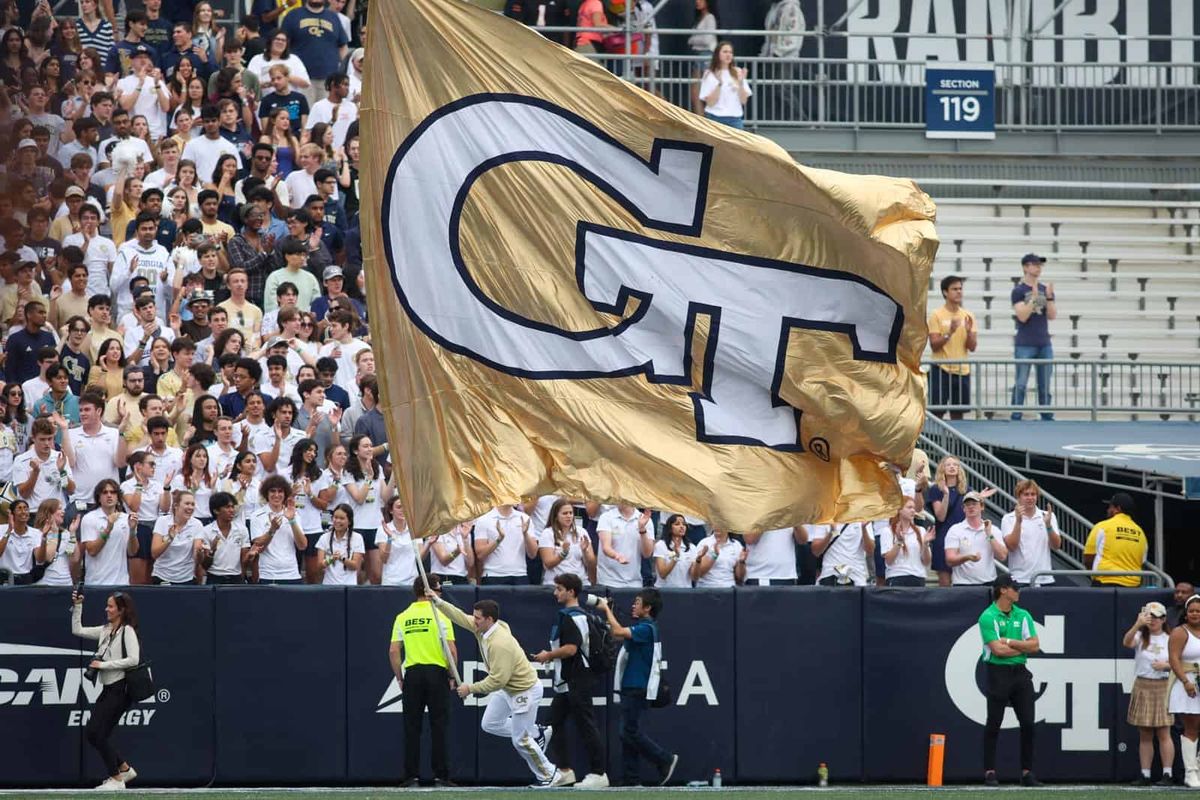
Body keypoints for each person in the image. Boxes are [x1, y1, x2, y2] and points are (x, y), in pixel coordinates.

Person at [428, 592, 566, 787]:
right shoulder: (483, 628)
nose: (473, 621)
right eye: (474, 617)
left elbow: (497, 681)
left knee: (521, 740)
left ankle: (550, 775)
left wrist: (470, 688)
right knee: (490, 723)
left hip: (523, 691)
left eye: (477, 618)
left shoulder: (500, 643)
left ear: (489, 619)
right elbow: (459, 616)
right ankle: (537, 733)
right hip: (509, 689)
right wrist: (438, 601)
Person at [532, 573, 608, 788]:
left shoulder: (569, 616)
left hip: (577, 680)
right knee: (551, 725)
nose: (555, 593)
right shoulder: (579, 615)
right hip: (568, 681)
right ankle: (565, 771)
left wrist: (547, 655)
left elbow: (571, 649)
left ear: (571, 592)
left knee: (586, 725)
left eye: (559, 589)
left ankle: (599, 773)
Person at [597, 590, 677, 787]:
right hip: (630, 685)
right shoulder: (642, 627)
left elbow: (617, 632)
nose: (633, 605)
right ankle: (631, 779)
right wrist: (610, 614)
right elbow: (617, 635)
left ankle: (664, 759)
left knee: (629, 731)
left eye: (638, 602)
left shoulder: (647, 628)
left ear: (648, 608)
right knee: (627, 734)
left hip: (638, 686)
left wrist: (606, 609)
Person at [390, 575, 457, 788]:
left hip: (413, 674)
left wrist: (400, 677)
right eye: (439, 590)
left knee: (412, 728)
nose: (440, 594)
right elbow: (451, 650)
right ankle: (442, 777)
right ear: (431, 591)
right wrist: (451, 675)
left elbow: (393, 651)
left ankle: (411, 777)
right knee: (439, 726)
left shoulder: (402, 616)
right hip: (437, 673)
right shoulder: (441, 615)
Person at [70, 589, 141, 791]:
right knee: (95, 734)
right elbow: (78, 630)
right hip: (108, 689)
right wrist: (78, 606)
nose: (106, 609)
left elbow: (134, 660)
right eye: (107, 605)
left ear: (121, 610)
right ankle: (124, 770)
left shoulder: (127, 631)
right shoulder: (105, 629)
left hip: (121, 689)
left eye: (111, 606)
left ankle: (117, 779)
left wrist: (103, 665)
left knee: (96, 733)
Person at [978, 574, 1041, 787]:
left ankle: (1026, 772)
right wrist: (1018, 648)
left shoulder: (1023, 614)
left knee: (1028, 723)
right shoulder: (988, 616)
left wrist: (1008, 641)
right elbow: (997, 651)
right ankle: (989, 771)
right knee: (994, 723)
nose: (1018, 591)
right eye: (1015, 588)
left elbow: (1034, 645)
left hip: (1020, 673)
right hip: (998, 673)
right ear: (1003, 590)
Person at [1123, 602, 1174, 786]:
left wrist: (1166, 666)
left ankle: (1167, 774)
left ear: (1163, 619)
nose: (1152, 620)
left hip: (1163, 685)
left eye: (1156, 617)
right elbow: (1126, 643)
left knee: (1164, 732)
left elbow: (1181, 661)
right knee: (1144, 733)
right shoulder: (1140, 635)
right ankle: (1145, 774)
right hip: (1143, 684)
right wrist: (1137, 624)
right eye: (1149, 616)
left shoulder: (1170, 638)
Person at [1010, 253, 1056, 420]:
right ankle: (1016, 414)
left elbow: (1052, 315)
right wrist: (1034, 300)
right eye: (1034, 264)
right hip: (1025, 343)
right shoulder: (1019, 290)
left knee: (1044, 384)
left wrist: (1049, 298)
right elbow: (1022, 316)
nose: (1038, 267)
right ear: (1025, 267)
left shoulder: (1044, 289)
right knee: (1021, 382)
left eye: (1039, 265)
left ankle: (1046, 415)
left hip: (1044, 342)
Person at [927, 276, 977, 419]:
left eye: (960, 289)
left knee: (958, 412)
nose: (959, 292)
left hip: (962, 370)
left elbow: (972, 347)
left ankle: (956, 441)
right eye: (954, 289)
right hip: (941, 369)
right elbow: (934, 345)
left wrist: (968, 332)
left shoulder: (968, 315)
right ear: (945, 292)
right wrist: (950, 333)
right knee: (937, 411)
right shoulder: (936, 315)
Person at [1001, 479, 1061, 588]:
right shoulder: (1008, 518)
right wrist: (1018, 521)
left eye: (1033, 494)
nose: (1030, 498)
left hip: (1045, 579)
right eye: (1026, 494)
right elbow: (1012, 546)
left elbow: (1056, 546)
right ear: (1018, 497)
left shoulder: (1048, 516)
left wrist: (1048, 526)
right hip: (1019, 579)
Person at [1083, 491, 1149, 588]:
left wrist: (1093, 574)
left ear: (1118, 509)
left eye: (1110, 507)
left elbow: (1088, 558)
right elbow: (1142, 561)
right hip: (1132, 587)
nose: (1108, 510)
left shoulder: (1102, 526)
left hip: (1105, 582)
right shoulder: (1141, 533)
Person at [81, 479, 139, 586]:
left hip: (121, 582)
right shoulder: (89, 518)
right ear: (98, 497)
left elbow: (132, 552)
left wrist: (132, 531)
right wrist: (108, 528)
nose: (109, 495)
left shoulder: (127, 519)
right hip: (96, 583)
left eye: (113, 492)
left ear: (118, 497)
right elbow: (92, 551)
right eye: (105, 492)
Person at [943, 492, 1007, 586]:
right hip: (962, 584)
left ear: (982, 507)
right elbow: (950, 560)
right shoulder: (955, 530)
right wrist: (967, 557)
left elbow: (1002, 556)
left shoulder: (993, 529)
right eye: (967, 505)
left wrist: (989, 534)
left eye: (974, 504)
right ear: (964, 509)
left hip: (988, 583)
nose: (971, 507)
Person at [1170, 594, 1200, 788]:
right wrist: (1185, 681)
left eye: (1198, 611)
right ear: (1186, 613)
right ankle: (1191, 773)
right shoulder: (1180, 632)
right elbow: (1173, 659)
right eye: (1191, 611)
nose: (1195, 614)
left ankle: (1197, 766)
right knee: (1192, 727)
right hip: (1187, 682)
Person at [474, 504, 537, 585]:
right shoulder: (484, 520)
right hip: (493, 575)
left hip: (520, 575)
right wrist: (499, 539)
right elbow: (480, 554)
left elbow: (533, 554)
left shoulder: (525, 518)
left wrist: (525, 534)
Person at [150, 489, 203, 585]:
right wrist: (170, 538)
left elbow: (197, 557)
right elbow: (154, 553)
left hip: (187, 578)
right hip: (162, 576)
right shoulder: (162, 521)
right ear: (176, 506)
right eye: (187, 503)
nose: (190, 507)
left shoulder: (197, 524)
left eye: (192, 504)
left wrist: (201, 553)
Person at [539, 498, 595, 588]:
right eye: (565, 513)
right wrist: (563, 553)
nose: (569, 516)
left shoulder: (582, 532)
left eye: (571, 513)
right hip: (556, 585)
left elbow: (591, 563)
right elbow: (548, 564)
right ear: (556, 516)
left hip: (580, 584)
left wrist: (585, 551)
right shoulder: (547, 533)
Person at [595, 505, 653, 589]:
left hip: (634, 583)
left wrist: (642, 529)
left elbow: (647, 553)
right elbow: (606, 547)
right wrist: (617, 556)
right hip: (608, 581)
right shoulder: (606, 517)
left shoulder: (645, 520)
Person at [879, 497, 932, 587]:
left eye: (914, 508)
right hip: (897, 576)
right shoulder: (887, 531)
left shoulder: (921, 531)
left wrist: (926, 544)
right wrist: (899, 542)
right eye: (909, 507)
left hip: (918, 577)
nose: (913, 510)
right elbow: (888, 560)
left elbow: (926, 562)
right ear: (899, 510)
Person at [699, 41, 751, 129]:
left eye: (730, 52)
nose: (728, 55)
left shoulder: (737, 72)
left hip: (735, 118)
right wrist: (719, 83)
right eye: (725, 52)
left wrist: (741, 82)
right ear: (717, 54)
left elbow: (744, 101)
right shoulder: (709, 74)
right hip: (715, 117)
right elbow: (710, 103)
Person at [199, 491, 249, 584]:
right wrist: (211, 552)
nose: (232, 510)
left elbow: (244, 561)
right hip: (214, 578)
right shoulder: (206, 531)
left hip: (236, 578)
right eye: (227, 507)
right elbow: (205, 565)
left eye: (232, 506)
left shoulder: (242, 530)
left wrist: (250, 555)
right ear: (216, 510)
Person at [807, 521, 874, 587]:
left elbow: (870, 550)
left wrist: (863, 528)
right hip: (830, 573)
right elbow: (816, 551)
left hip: (856, 575)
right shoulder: (826, 518)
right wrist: (831, 532)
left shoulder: (863, 518)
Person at [315, 503, 363, 585]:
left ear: (349, 521)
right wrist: (330, 559)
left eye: (342, 518)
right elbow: (319, 566)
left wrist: (342, 559)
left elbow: (355, 566)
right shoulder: (324, 537)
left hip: (349, 586)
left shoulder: (357, 538)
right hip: (329, 585)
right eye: (335, 517)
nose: (337, 521)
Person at [0, 500, 44, 585]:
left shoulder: (36, 533)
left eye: (26, 509)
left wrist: (44, 538)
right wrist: (9, 530)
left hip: (25, 578)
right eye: (19, 509)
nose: (23, 512)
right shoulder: (1, 529)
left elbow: (40, 559)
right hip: (4, 577)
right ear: (12, 514)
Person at [652, 514, 697, 589]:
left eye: (684, 524)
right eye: (677, 524)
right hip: (664, 591)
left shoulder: (692, 547)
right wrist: (675, 557)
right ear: (670, 528)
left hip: (685, 591)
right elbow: (662, 574)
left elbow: (693, 576)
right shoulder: (661, 545)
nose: (682, 526)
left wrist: (698, 561)